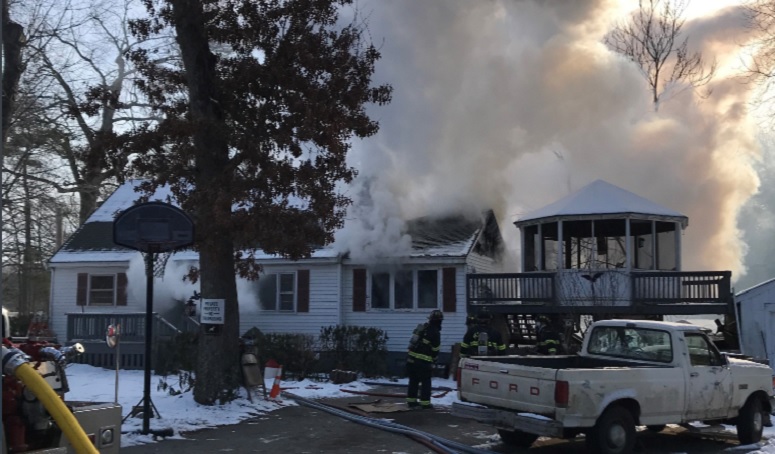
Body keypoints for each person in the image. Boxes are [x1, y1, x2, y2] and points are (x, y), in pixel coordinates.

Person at [406, 310, 443, 410]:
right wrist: (435, 359)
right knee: (426, 382)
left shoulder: (423, 328)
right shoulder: (435, 332)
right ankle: (425, 403)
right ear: (439, 321)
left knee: (413, 381)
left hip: (411, 359)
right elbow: (435, 349)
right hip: (423, 362)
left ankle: (411, 402)